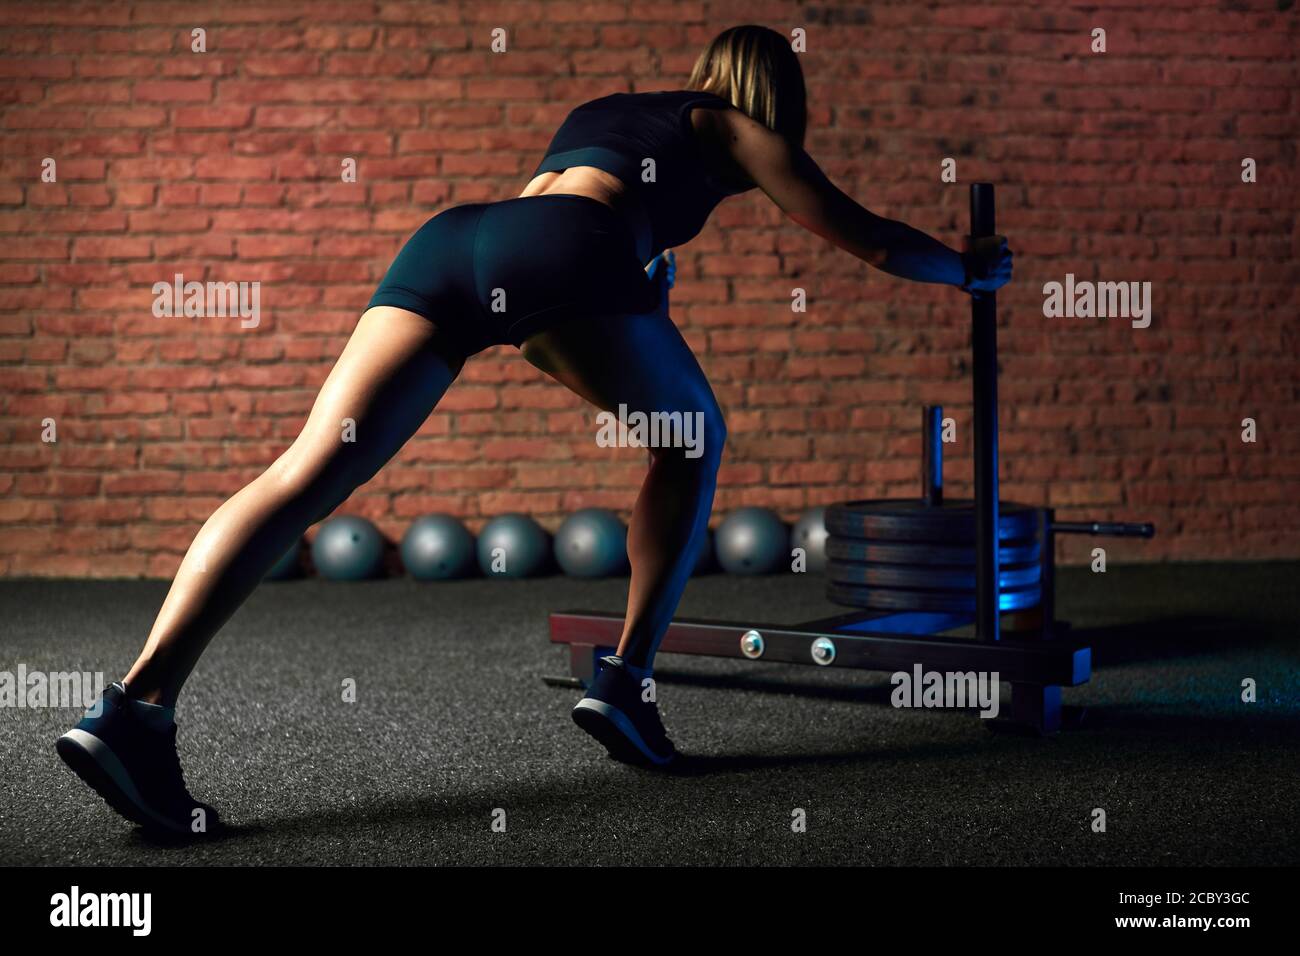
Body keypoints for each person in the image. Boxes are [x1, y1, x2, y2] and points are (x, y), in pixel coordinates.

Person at [57, 24, 1012, 835]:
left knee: (304, 473)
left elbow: (556, 229)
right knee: (693, 442)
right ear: (772, 97)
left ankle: (135, 708)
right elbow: (866, 235)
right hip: (564, 256)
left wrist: (628, 290)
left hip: (455, 242)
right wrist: (968, 269)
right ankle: (628, 680)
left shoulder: (616, 110)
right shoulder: (737, 124)